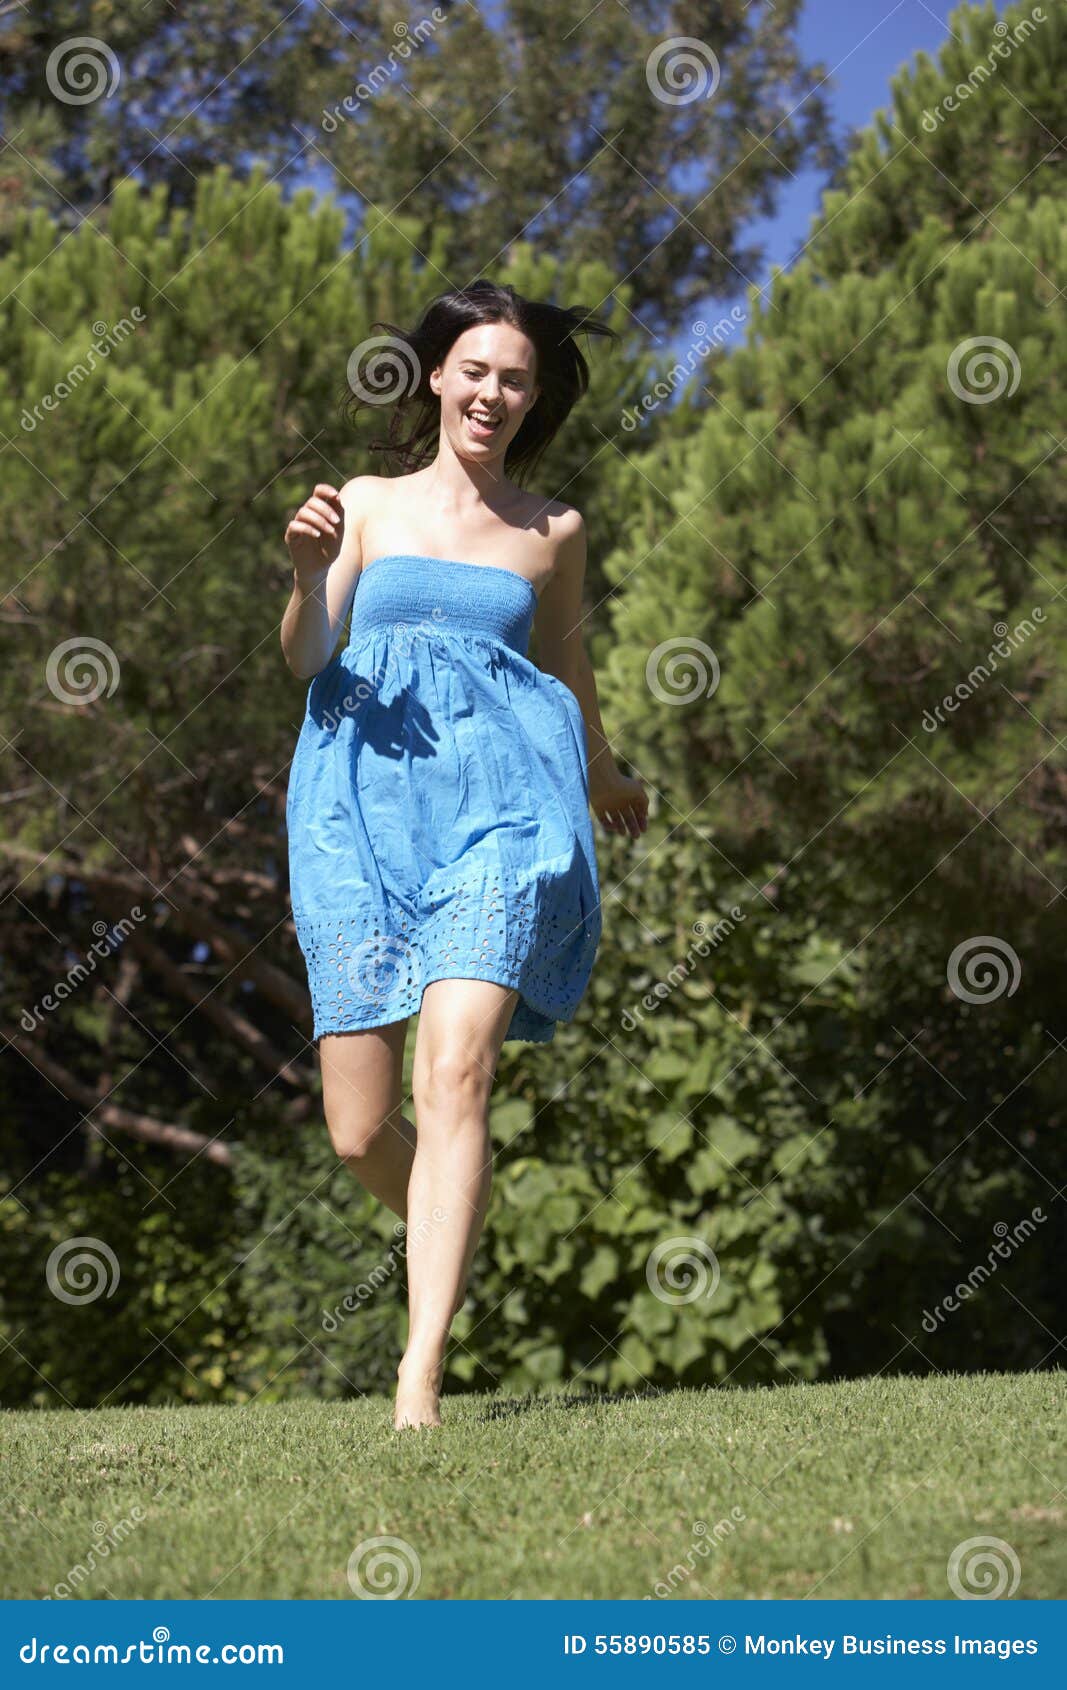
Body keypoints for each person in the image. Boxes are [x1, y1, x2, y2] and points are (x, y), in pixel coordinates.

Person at [280, 279, 648, 1429]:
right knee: (356, 1130)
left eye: (517, 378)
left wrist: (606, 771)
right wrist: (303, 578)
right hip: (356, 818)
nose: (494, 392)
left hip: (503, 814)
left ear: (534, 399)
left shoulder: (552, 532)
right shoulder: (369, 506)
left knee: (456, 1078)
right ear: (435, 375)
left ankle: (417, 1380)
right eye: (476, 370)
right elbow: (305, 661)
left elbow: (568, 674)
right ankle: (454, 1208)